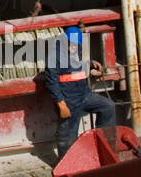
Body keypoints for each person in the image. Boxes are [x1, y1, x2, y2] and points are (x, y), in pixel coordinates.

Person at [44, 25, 116, 161]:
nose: (74, 47)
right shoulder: (55, 56)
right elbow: (52, 83)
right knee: (68, 134)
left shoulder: (77, 50)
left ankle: (103, 146)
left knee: (108, 107)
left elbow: (79, 64)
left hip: (84, 94)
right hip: (68, 100)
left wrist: (91, 63)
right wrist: (62, 105)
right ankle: (67, 166)